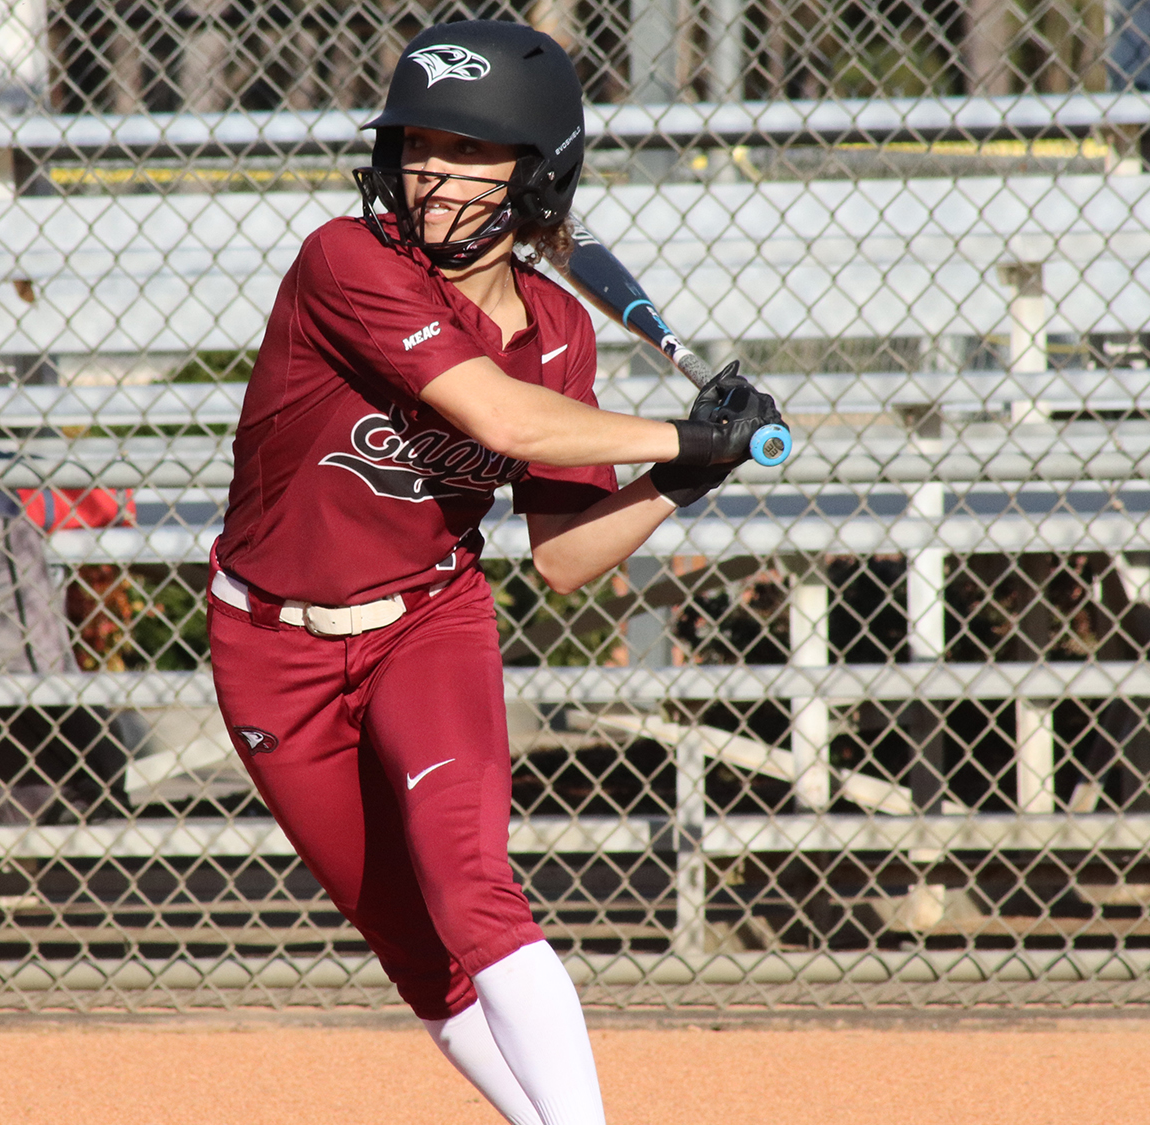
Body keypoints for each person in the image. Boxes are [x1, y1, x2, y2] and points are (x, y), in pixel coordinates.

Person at [206, 20, 781, 1125]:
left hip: (426, 624)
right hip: (268, 646)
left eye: (469, 153)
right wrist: (680, 434)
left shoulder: (561, 326)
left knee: (470, 893)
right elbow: (491, 412)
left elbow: (564, 557)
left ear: (536, 175)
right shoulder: (345, 261)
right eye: (419, 143)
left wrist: (688, 479)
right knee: (412, 947)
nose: (431, 171)